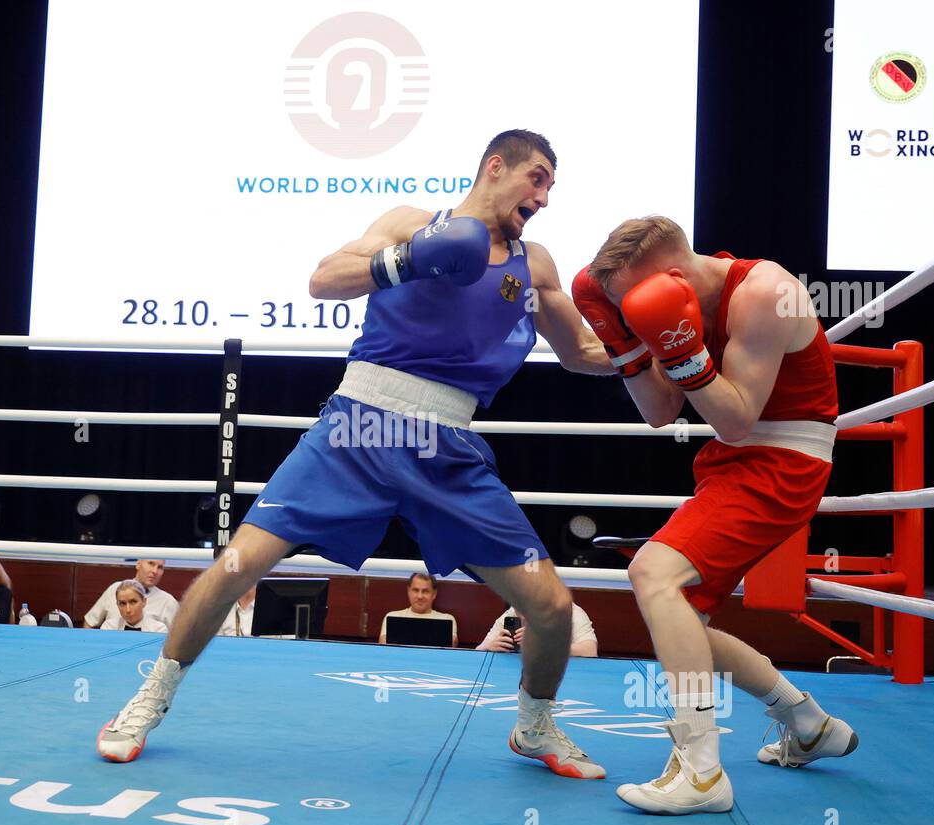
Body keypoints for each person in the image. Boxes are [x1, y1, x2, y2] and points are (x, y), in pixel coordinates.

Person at [97, 130, 616, 779]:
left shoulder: (533, 266)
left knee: (551, 607)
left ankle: (535, 726)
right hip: (357, 429)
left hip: (448, 446)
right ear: (494, 167)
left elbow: (583, 353)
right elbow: (322, 279)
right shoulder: (411, 222)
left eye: (551, 186)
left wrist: (658, 346)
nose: (543, 196)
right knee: (238, 564)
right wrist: (409, 259)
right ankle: (151, 696)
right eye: (537, 178)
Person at [572, 215, 858, 815]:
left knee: (654, 574)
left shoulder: (763, 292)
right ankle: (807, 723)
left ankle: (702, 772)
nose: (632, 318)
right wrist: (628, 347)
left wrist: (682, 352)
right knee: (684, 628)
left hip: (785, 456)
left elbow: (735, 418)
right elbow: (657, 410)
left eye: (635, 309)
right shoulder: (665, 302)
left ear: (672, 276)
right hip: (731, 461)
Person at [84, 559, 178, 631]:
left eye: (160, 567)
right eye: (151, 563)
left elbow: (180, 638)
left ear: (144, 602)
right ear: (138, 564)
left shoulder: (168, 601)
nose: (155, 571)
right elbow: (89, 622)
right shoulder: (115, 589)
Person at [479, 603, 597, 657]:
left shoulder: (570, 613)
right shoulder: (510, 615)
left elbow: (589, 650)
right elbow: (478, 649)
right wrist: (489, 646)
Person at [380, 572, 458, 647]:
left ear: (434, 594)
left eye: (425, 591)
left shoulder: (446, 619)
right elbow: (384, 646)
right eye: (415, 590)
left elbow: (451, 646)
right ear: (408, 591)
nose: (420, 596)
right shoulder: (392, 616)